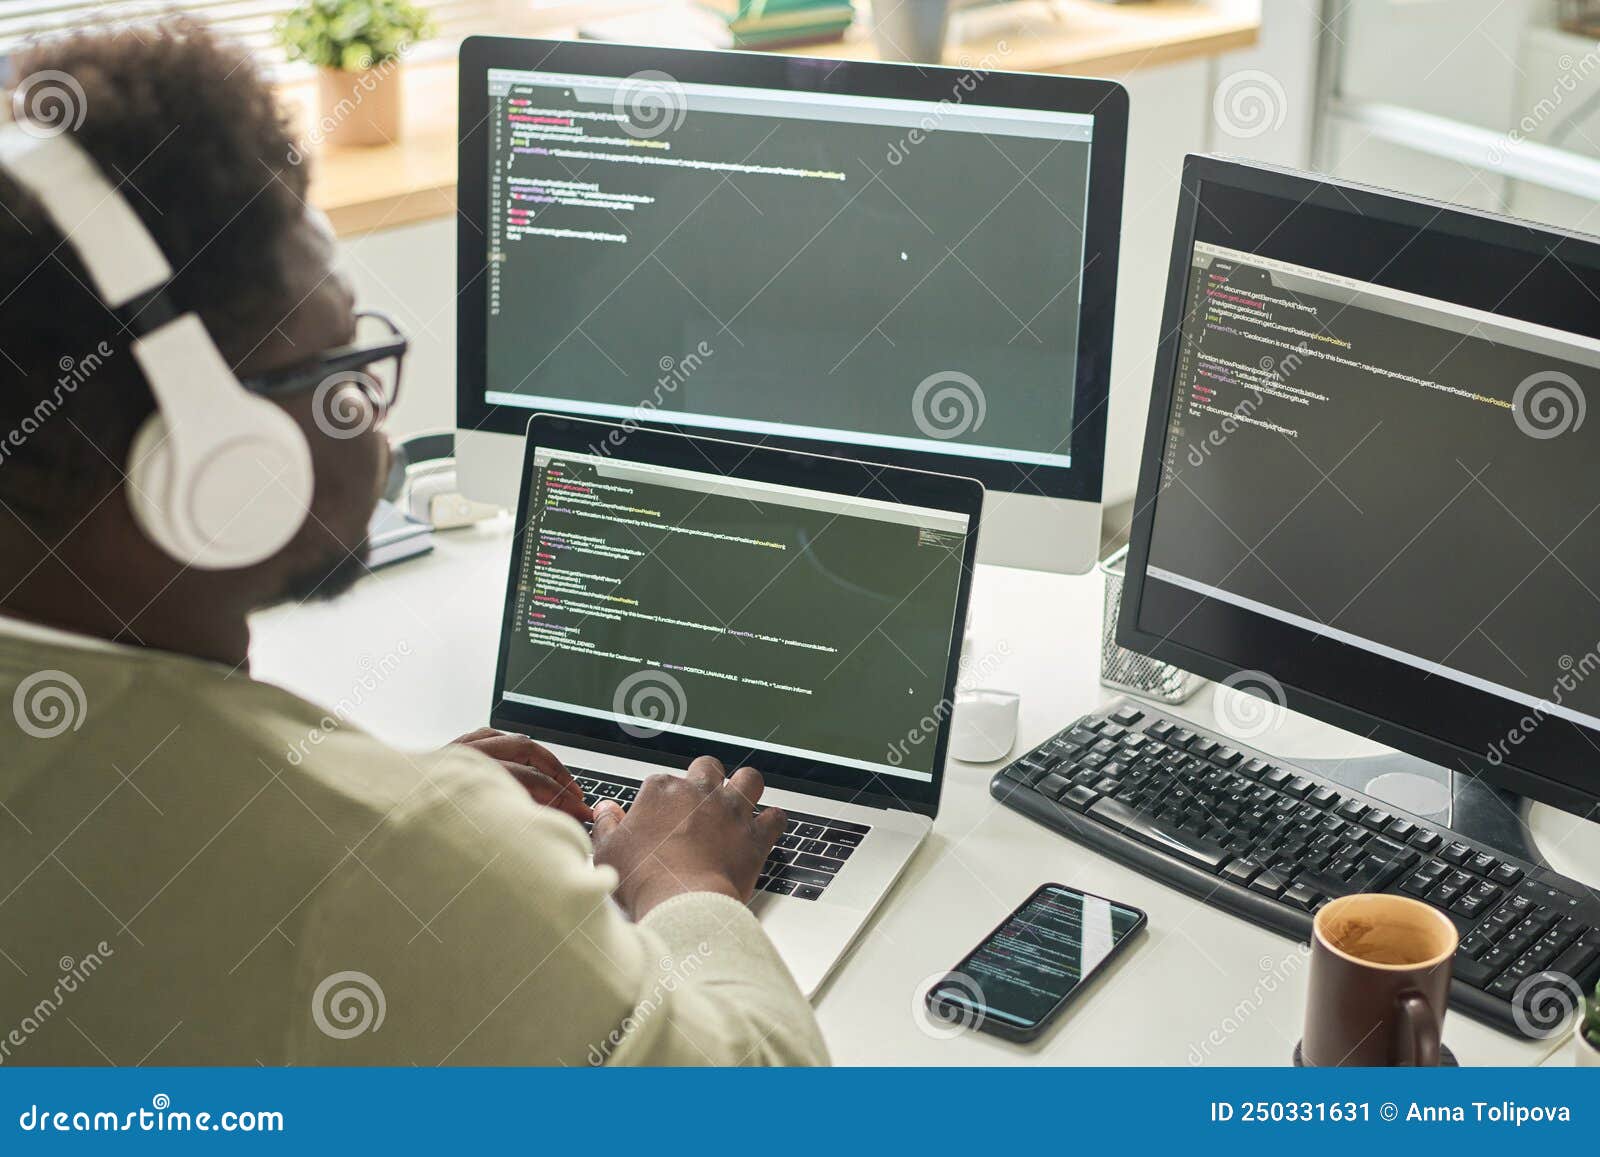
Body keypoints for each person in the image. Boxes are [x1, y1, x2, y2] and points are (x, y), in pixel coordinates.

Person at [0, 20, 826, 1066]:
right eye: (338, 361)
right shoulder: (393, 859)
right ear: (212, 460)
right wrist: (686, 885)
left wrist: (396, 825)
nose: (375, 417)